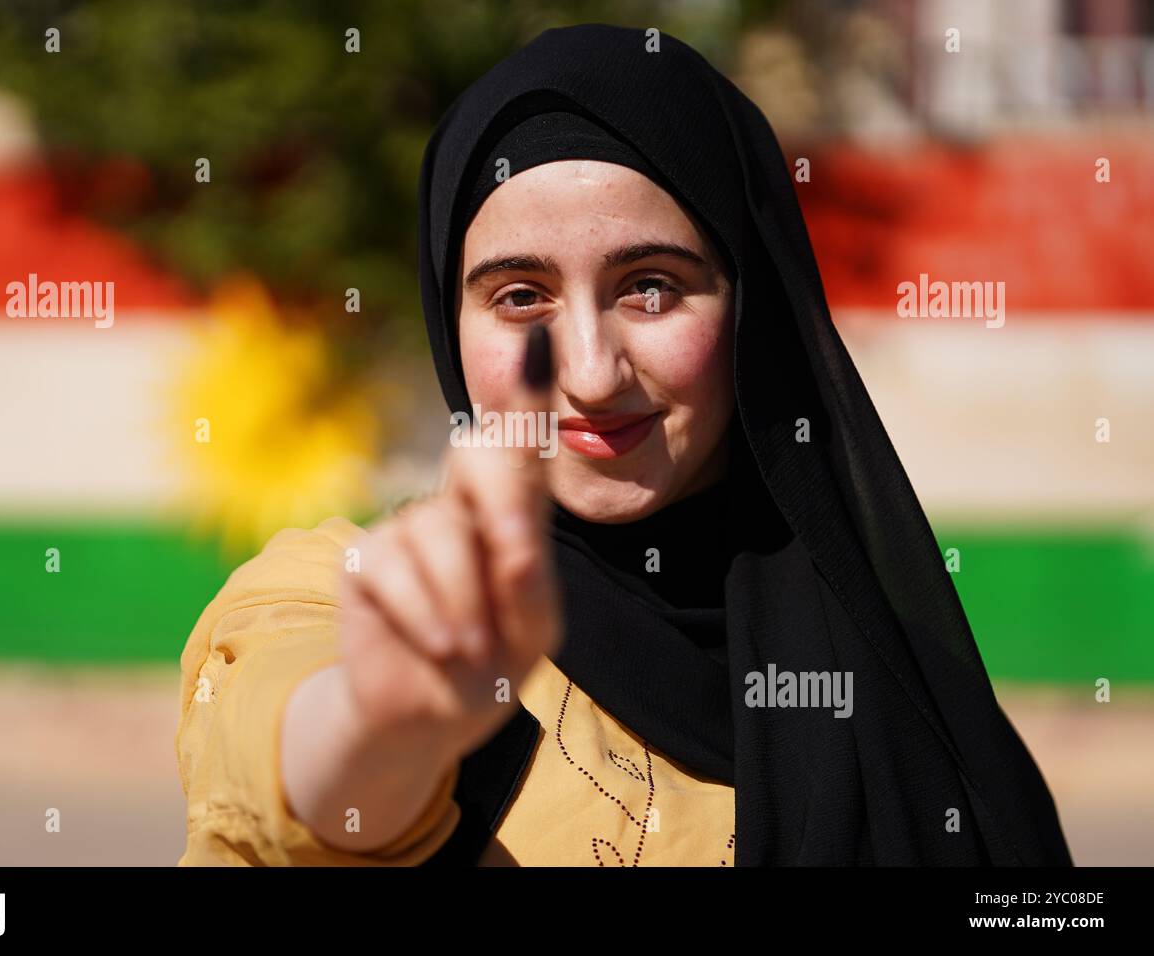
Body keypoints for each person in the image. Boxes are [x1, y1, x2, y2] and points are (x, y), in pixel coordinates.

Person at [175, 23, 1072, 866]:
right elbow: (295, 768)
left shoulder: (889, 663)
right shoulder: (346, 597)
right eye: (520, 296)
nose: (594, 374)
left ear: (751, 309)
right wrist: (389, 717)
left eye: (650, 288)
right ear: (451, 324)